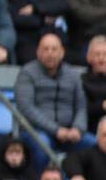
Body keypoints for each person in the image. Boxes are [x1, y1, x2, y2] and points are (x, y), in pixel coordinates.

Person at [15, 33, 93, 163]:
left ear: (62, 52)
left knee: (96, 145)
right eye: (45, 49)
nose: (50, 54)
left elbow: (81, 106)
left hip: (69, 132)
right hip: (37, 131)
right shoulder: (27, 73)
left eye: (54, 49)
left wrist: (78, 129)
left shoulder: (73, 75)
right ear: (38, 53)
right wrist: (56, 130)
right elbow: (26, 108)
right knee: (43, 145)